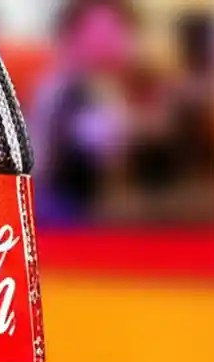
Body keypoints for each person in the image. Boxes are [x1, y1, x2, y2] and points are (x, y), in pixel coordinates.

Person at [31, 0, 138, 225]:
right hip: (63, 208)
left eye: (114, 31)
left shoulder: (135, 87)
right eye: (96, 32)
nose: (106, 41)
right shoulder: (59, 89)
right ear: (72, 38)